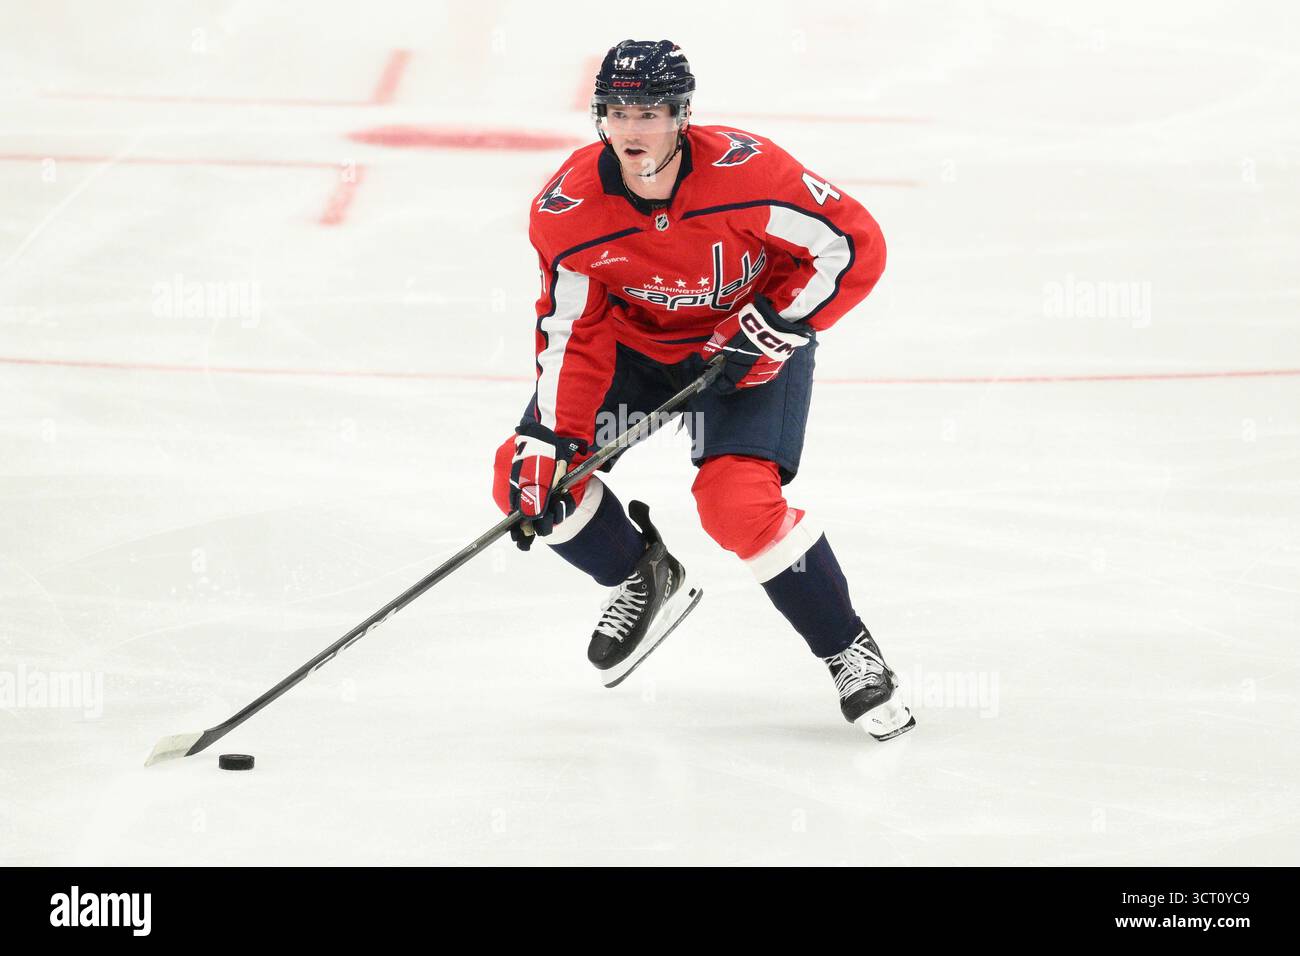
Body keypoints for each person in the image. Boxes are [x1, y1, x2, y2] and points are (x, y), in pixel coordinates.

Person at [490, 39, 914, 740]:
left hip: (745, 353)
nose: (631, 129)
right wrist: (550, 436)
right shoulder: (568, 209)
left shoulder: (750, 173)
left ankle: (848, 649)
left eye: (649, 112)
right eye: (617, 112)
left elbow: (851, 245)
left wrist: (779, 322)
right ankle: (642, 575)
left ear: (681, 115)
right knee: (529, 478)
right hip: (633, 355)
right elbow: (571, 328)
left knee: (736, 504)